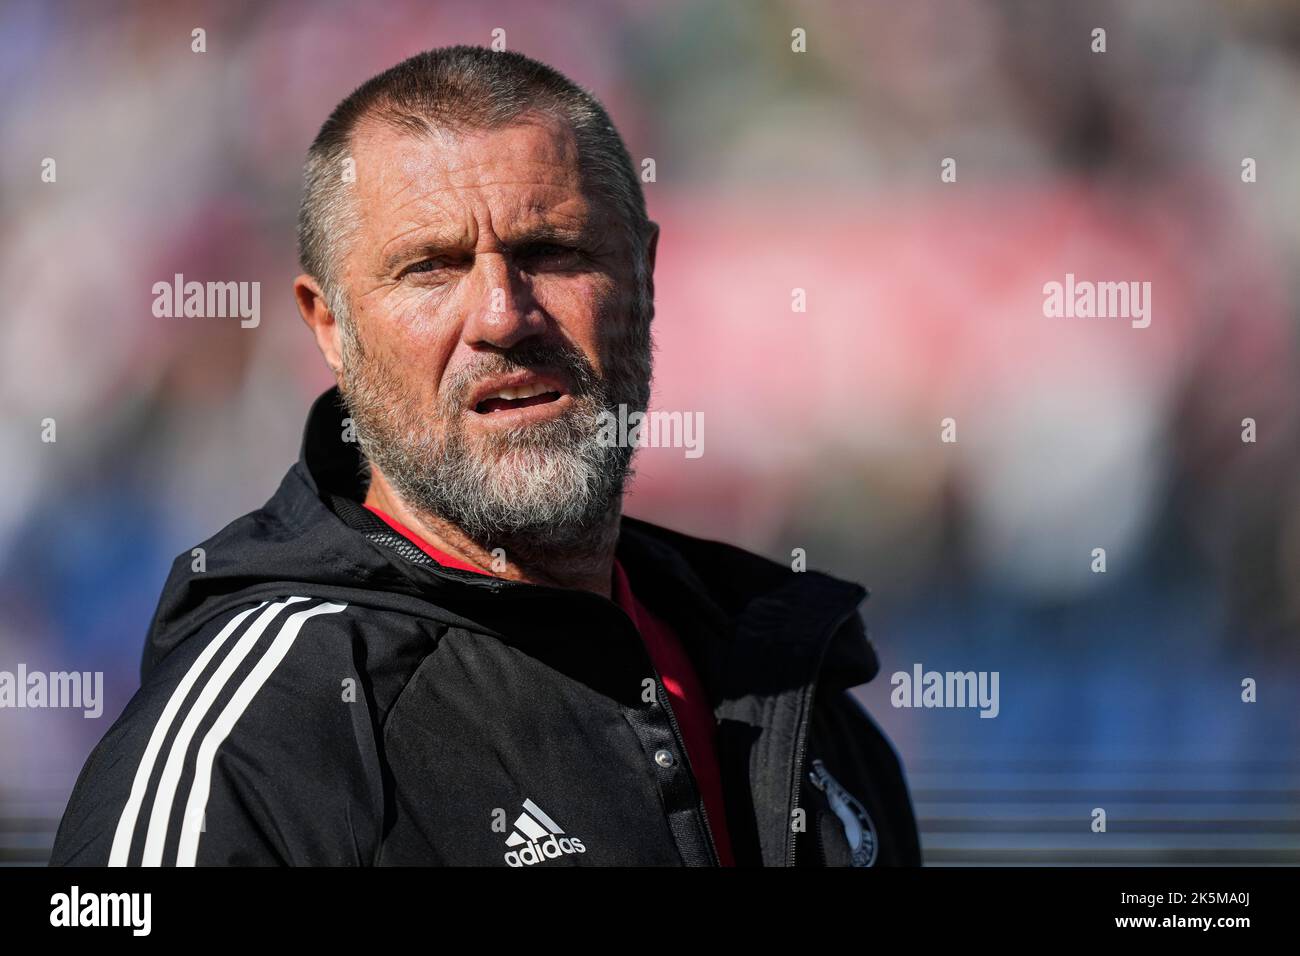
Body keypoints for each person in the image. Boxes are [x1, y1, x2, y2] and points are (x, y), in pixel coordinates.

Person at [50, 45, 920, 867]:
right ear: (330, 327)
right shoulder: (250, 749)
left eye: (553, 253)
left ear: (646, 279)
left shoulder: (797, 699)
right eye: (431, 268)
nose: (504, 316)